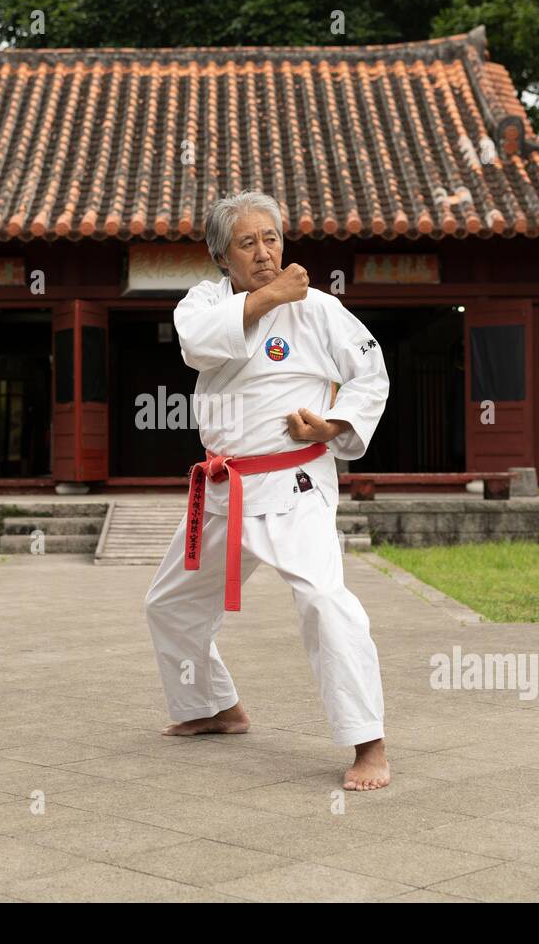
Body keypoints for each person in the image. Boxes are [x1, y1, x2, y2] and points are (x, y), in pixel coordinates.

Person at [143, 190, 392, 790]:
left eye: (272, 239)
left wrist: (333, 425)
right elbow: (197, 343)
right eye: (247, 243)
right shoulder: (204, 302)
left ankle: (369, 743)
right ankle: (214, 708)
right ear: (221, 257)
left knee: (323, 600)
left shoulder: (320, 311)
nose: (264, 252)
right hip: (223, 488)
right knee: (169, 603)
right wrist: (267, 297)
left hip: (293, 482)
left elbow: (371, 375)